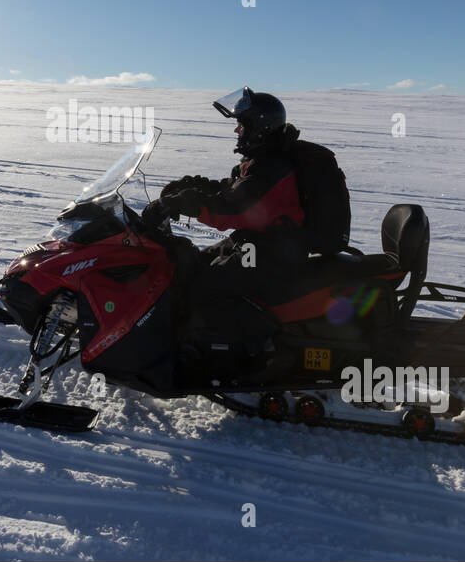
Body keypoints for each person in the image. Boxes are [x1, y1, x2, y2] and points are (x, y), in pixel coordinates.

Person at [146, 87, 351, 368]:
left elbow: (233, 209)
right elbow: (234, 191)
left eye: (242, 125)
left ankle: (239, 357)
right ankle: (191, 341)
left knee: (202, 285)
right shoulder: (263, 159)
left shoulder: (273, 166)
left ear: (260, 126)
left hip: (272, 255)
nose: (237, 132)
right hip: (259, 245)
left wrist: (187, 204)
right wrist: (193, 187)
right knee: (189, 265)